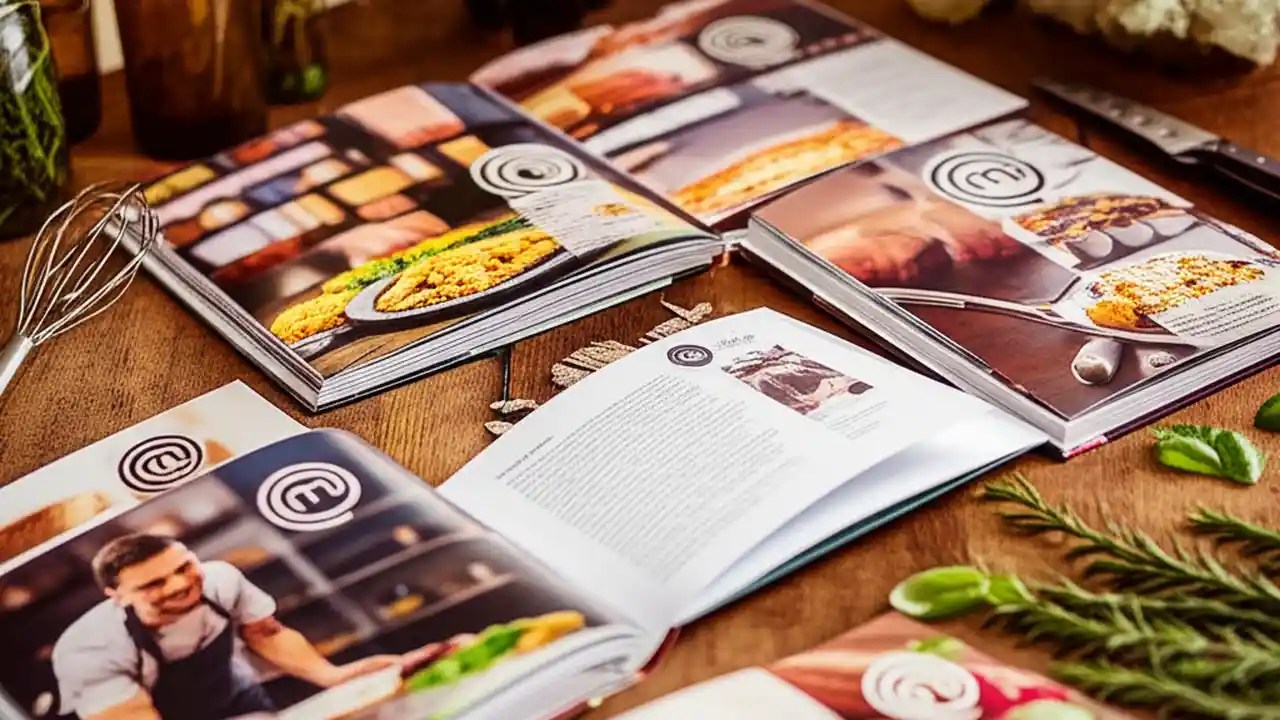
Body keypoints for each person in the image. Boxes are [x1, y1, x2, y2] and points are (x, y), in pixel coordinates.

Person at [51, 534, 401, 720]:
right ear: (118, 596)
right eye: (152, 584)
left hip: (238, 697)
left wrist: (334, 678)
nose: (179, 585)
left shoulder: (220, 580)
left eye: (184, 567)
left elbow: (266, 633)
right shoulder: (89, 648)